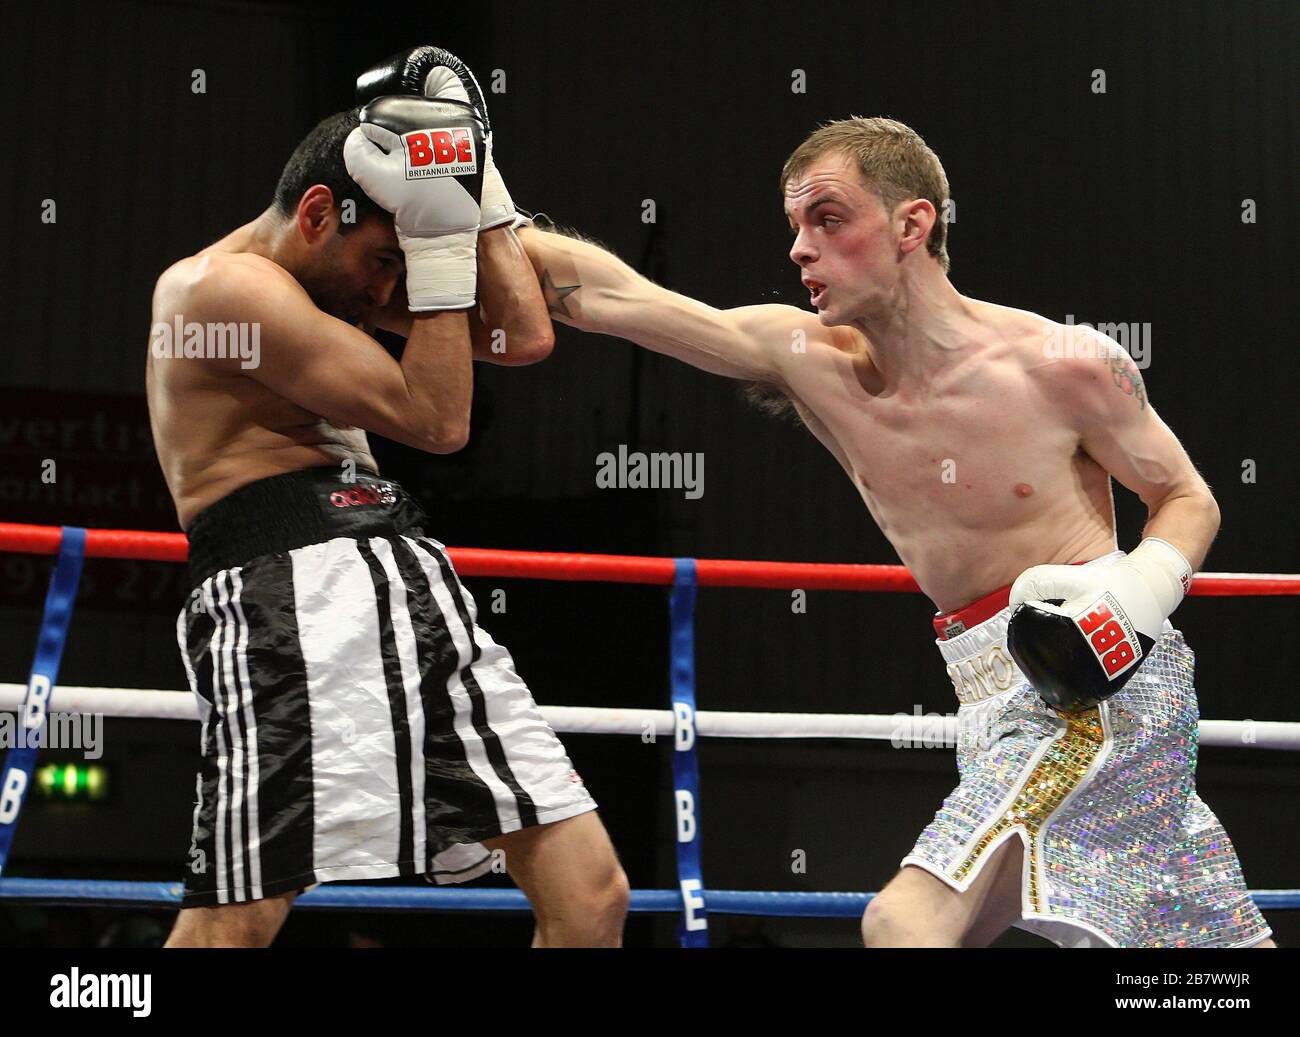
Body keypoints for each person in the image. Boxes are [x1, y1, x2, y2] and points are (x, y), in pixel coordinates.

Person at [515, 116, 1273, 948]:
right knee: (1203, 959)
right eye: (795, 227)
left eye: (829, 219)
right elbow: (615, 298)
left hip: (1094, 685)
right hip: (986, 695)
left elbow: (1189, 496)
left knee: (904, 921)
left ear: (913, 224)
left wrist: (1128, 599)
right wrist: (477, 201)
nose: (801, 249)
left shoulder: (1065, 363)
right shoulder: (809, 358)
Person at [147, 55, 628, 948]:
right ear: (320, 213)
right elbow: (440, 419)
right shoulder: (215, 290)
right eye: (380, 261)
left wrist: (474, 182)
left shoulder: (340, 278)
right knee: (233, 924)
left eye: (401, 264)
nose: (383, 288)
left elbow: (522, 334)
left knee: (591, 893)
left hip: (406, 575)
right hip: (288, 589)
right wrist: (439, 243)